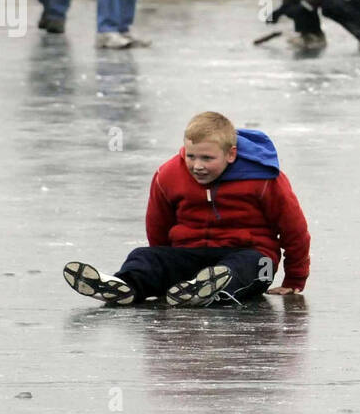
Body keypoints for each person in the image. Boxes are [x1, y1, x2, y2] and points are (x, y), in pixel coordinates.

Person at [63, 111, 310, 306]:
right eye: (191, 156)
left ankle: (210, 289)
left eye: (207, 158)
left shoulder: (265, 179)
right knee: (145, 256)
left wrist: (294, 278)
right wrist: (164, 264)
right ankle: (124, 286)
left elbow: (294, 229)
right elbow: (158, 226)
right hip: (191, 255)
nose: (197, 166)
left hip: (249, 254)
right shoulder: (168, 175)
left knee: (250, 266)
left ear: (231, 154)